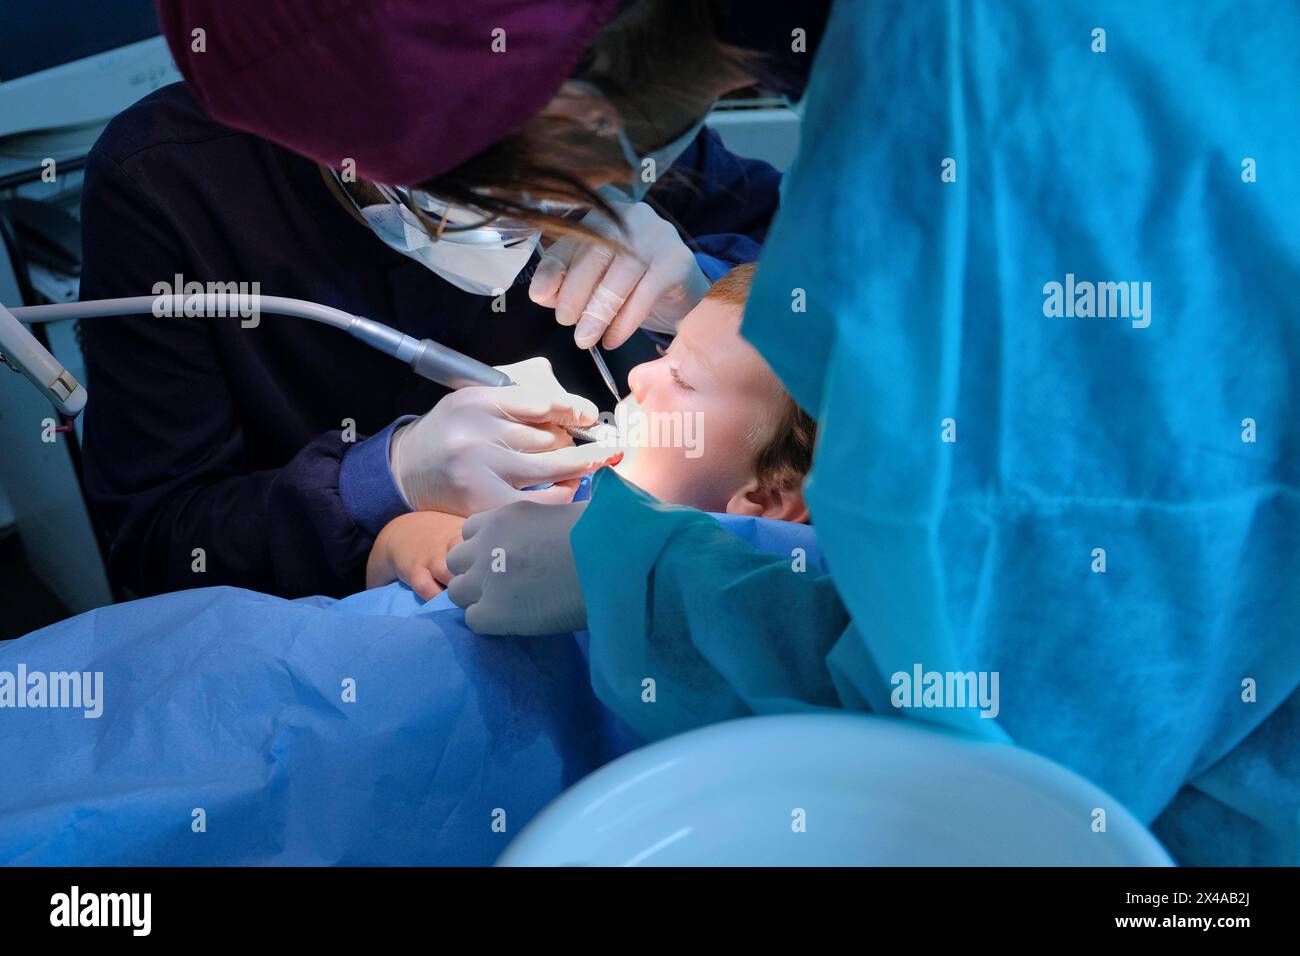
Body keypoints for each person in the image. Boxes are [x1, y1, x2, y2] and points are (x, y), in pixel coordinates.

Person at [444, 0, 1300, 865]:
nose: (638, 376)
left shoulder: (969, 74)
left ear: (773, 499)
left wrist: (636, 579)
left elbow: (1012, 717)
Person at [80, 0, 817, 599]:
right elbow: (159, 548)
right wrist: (378, 486)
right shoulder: (170, 186)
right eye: (475, 186)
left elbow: (839, 300)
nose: (640, 382)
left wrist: (710, 290)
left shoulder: (585, 83)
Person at [367, 263, 815, 599]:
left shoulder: (732, 611)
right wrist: (409, 538)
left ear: (765, 498)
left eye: (683, 380)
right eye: (663, 350)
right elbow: (374, 592)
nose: (639, 374)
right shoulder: (550, 498)